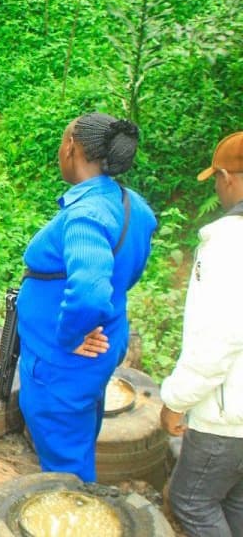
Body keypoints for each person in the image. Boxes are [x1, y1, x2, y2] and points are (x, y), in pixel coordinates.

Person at [16, 112, 157, 482]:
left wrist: (72, 335)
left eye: (63, 142)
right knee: (79, 429)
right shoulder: (131, 204)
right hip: (104, 343)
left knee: (67, 465)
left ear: (71, 149)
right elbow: (130, 269)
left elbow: (91, 292)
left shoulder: (87, 216)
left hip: (62, 361)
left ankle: (75, 509)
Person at [160, 131, 243, 537]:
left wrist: (176, 400)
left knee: (190, 500)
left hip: (229, 419)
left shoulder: (229, 245)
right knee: (235, 501)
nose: (216, 186)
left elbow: (219, 339)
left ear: (228, 177)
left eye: (216, 178)